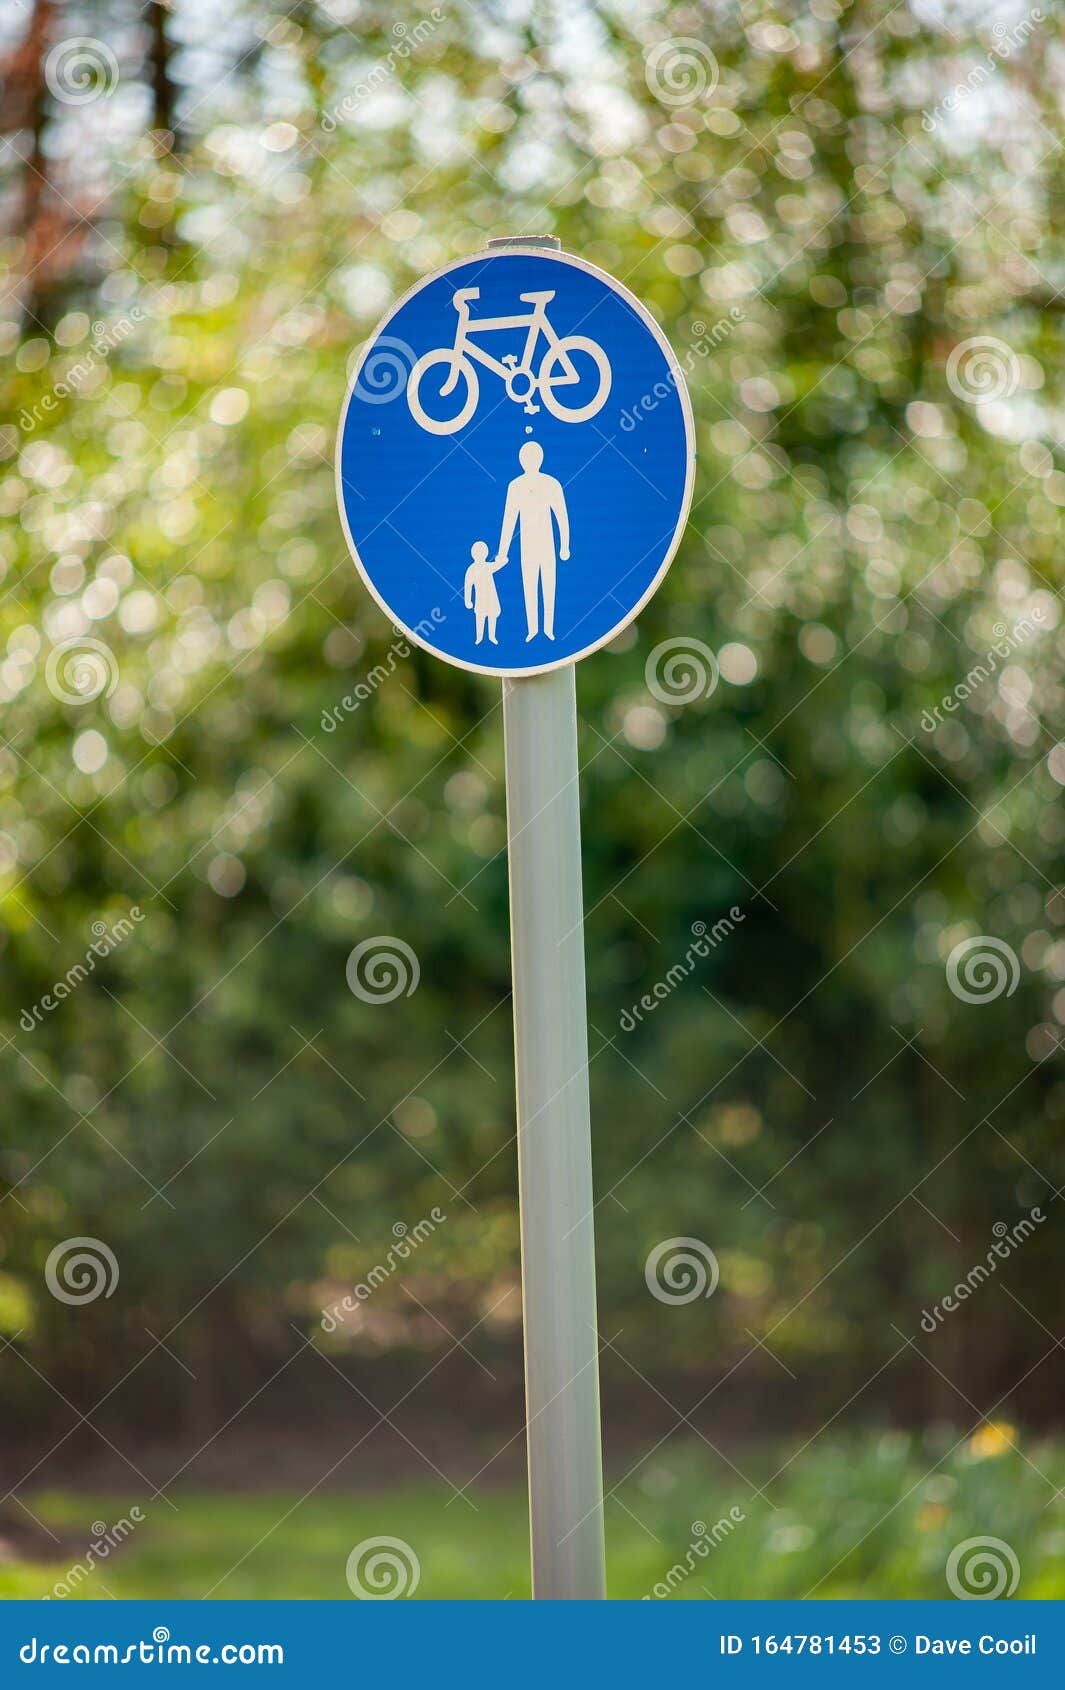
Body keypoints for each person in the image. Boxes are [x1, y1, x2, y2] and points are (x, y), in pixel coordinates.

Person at [495, 442, 570, 641]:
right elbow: (509, 521)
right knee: (529, 587)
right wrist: (502, 552)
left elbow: (562, 517)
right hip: (527, 547)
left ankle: (549, 629)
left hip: (547, 545)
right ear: (521, 461)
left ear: (540, 459)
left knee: (549, 586)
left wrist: (564, 546)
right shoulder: (515, 486)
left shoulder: (551, 484)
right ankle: (532, 630)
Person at [463, 540, 506, 645]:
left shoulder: (487, 566)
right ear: (473, 554)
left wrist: (502, 559)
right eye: (478, 553)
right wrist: (468, 601)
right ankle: (479, 638)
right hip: (480, 599)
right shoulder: (471, 569)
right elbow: (468, 586)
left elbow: (498, 565)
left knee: (492, 616)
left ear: (486, 553)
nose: (480, 555)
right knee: (480, 617)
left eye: (482, 552)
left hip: (491, 598)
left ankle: (492, 637)